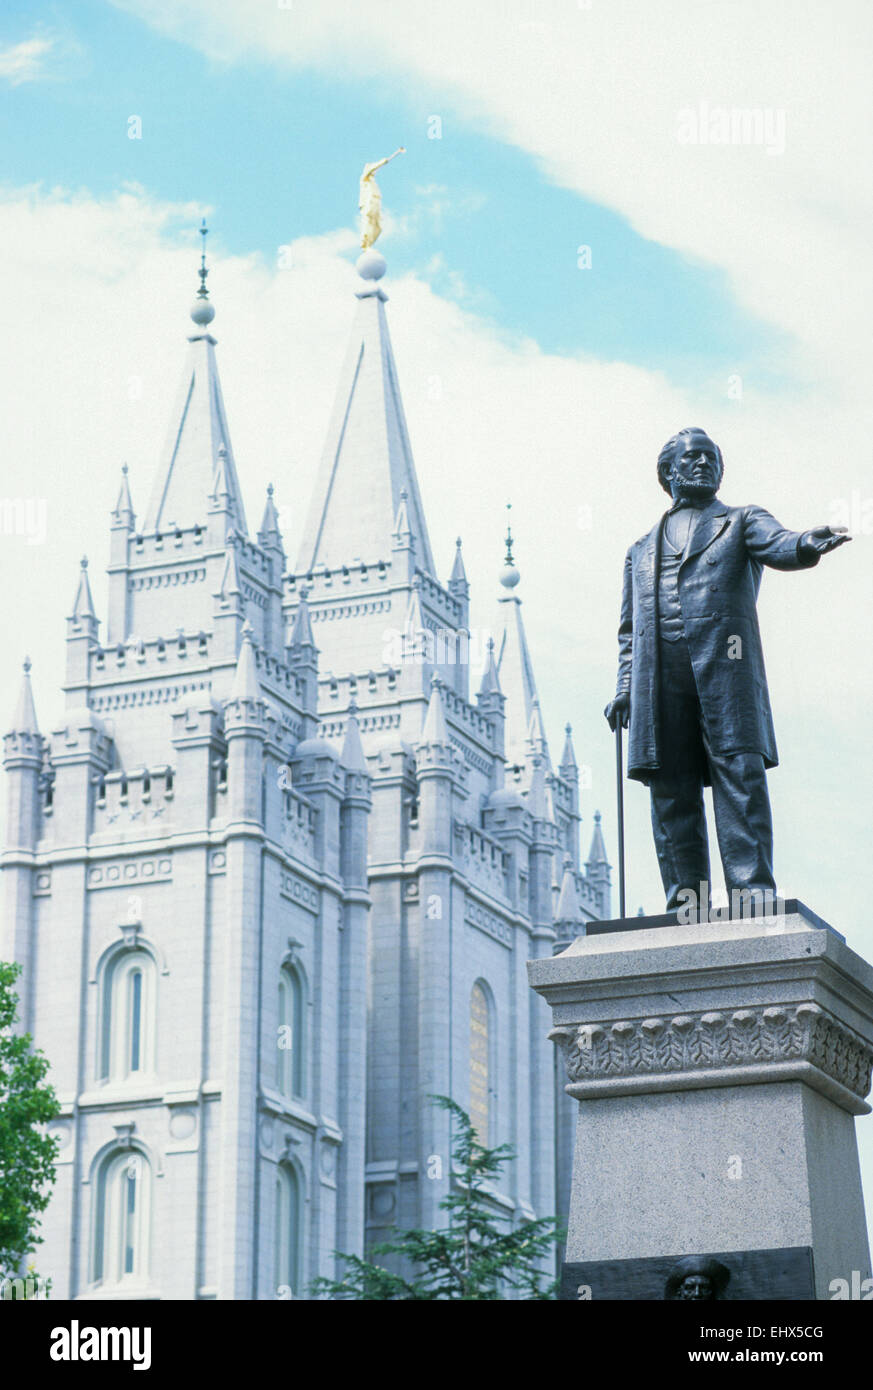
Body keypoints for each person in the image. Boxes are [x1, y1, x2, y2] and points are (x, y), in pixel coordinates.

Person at [604, 428, 849, 912]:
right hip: (661, 678)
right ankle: (685, 899)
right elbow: (630, 631)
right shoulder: (640, 549)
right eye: (691, 458)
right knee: (670, 788)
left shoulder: (741, 521)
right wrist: (625, 686)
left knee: (740, 774)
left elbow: (779, 544)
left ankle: (751, 889)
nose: (703, 465)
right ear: (668, 472)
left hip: (726, 669)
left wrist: (805, 543)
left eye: (711, 458)